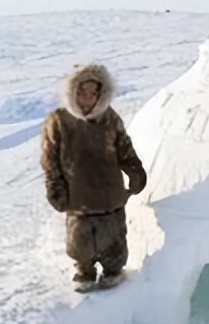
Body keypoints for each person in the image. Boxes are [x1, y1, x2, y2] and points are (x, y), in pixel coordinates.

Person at [41, 63, 147, 290]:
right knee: (80, 241)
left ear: (102, 94)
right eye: (81, 93)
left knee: (113, 239)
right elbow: (50, 160)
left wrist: (135, 171)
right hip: (78, 197)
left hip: (110, 194)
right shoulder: (59, 121)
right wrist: (54, 187)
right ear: (71, 92)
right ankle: (85, 270)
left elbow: (124, 149)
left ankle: (113, 271)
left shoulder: (109, 118)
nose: (87, 99)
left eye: (93, 94)